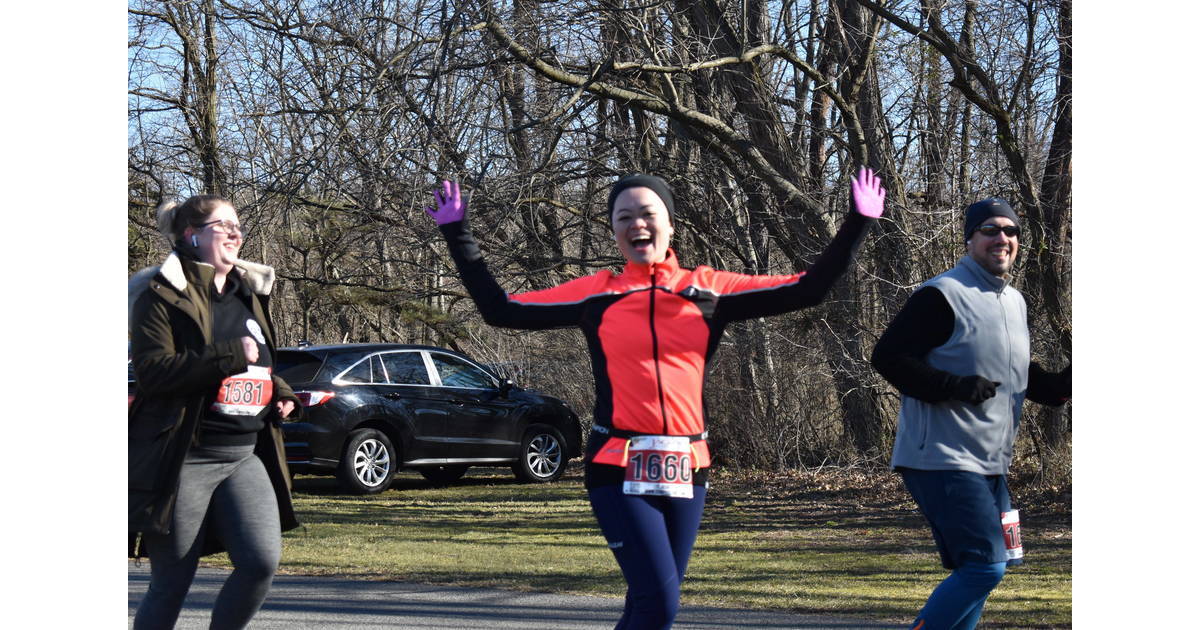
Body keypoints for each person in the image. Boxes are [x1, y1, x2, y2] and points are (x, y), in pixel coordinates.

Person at [426, 169, 885, 629]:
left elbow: (809, 288)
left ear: (670, 225)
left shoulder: (707, 290)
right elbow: (501, 309)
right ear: (614, 230)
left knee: (647, 602)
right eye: (624, 216)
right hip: (616, 462)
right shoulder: (597, 294)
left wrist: (857, 222)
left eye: (648, 213)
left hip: (687, 463)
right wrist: (457, 234)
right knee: (657, 605)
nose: (637, 224)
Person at [870, 197, 1071, 630]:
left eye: (1011, 231)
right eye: (991, 230)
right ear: (970, 239)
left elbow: (1020, 376)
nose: (1003, 238)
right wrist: (954, 386)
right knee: (984, 566)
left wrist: (1061, 386)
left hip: (991, 464)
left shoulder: (1014, 301)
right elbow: (888, 357)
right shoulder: (942, 295)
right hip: (941, 456)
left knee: (988, 567)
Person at [128, 194, 301, 629]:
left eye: (237, 225)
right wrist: (227, 357)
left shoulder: (249, 293)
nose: (236, 233)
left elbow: (258, 362)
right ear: (191, 235)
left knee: (261, 561)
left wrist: (281, 392)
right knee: (172, 581)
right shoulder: (162, 295)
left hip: (243, 454)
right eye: (223, 225)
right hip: (184, 457)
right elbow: (152, 374)